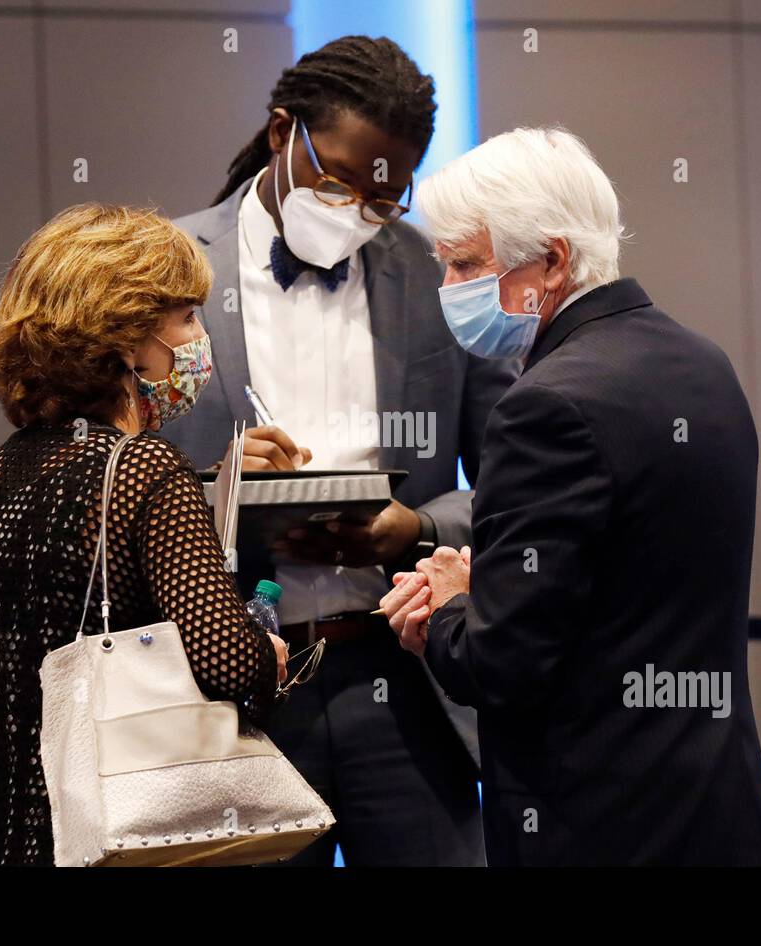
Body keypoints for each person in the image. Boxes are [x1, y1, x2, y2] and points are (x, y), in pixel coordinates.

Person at [380, 127, 761, 865]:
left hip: (595, 824)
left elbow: (501, 665)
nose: (448, 291)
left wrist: (447, 608)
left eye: (466, 265)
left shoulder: (546, 406)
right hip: (716, 811)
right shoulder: (703, 364)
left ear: (554, 259)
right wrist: (492, 593)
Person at [161, 36, 518, 866]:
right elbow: (100, 466)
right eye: (338, 183)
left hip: (400, 685)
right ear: (284, 131)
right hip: (232, 683)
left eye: (383, 199)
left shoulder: (435, 276)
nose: (357, 210)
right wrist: (211, 487)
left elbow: (516, 479)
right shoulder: (169, 267)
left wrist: (417, 528)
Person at [0, 203, 286, 866]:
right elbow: (227, 667)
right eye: (185, 317)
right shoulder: (145, 469)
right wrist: (268, 655)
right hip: (105, 837)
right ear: (126, 341)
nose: (199, 338)